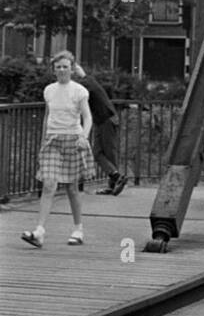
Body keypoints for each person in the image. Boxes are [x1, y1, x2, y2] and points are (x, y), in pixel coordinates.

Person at [21, 50, 96, 248]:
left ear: (72, 69)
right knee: (49, 184)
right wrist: (42, 140)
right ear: (54, 70)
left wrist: (83, 137)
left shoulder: (79, 91)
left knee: (71, 187)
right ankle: (39, 231)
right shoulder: (49, 90)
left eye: (65, 67)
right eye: (58, 67)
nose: (62, 70)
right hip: (52, 140)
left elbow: (87, 117)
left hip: (72, 138)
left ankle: (78, 229)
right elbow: (47, 116)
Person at [72, 60, 127, 196]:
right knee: (97, 153)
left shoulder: (88, 84)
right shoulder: (86, 85)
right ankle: (115, 177)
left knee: (109, 152)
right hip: (100, 121)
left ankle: (114, 182)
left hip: (107, 120)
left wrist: (82, 75)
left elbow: (85, 88)